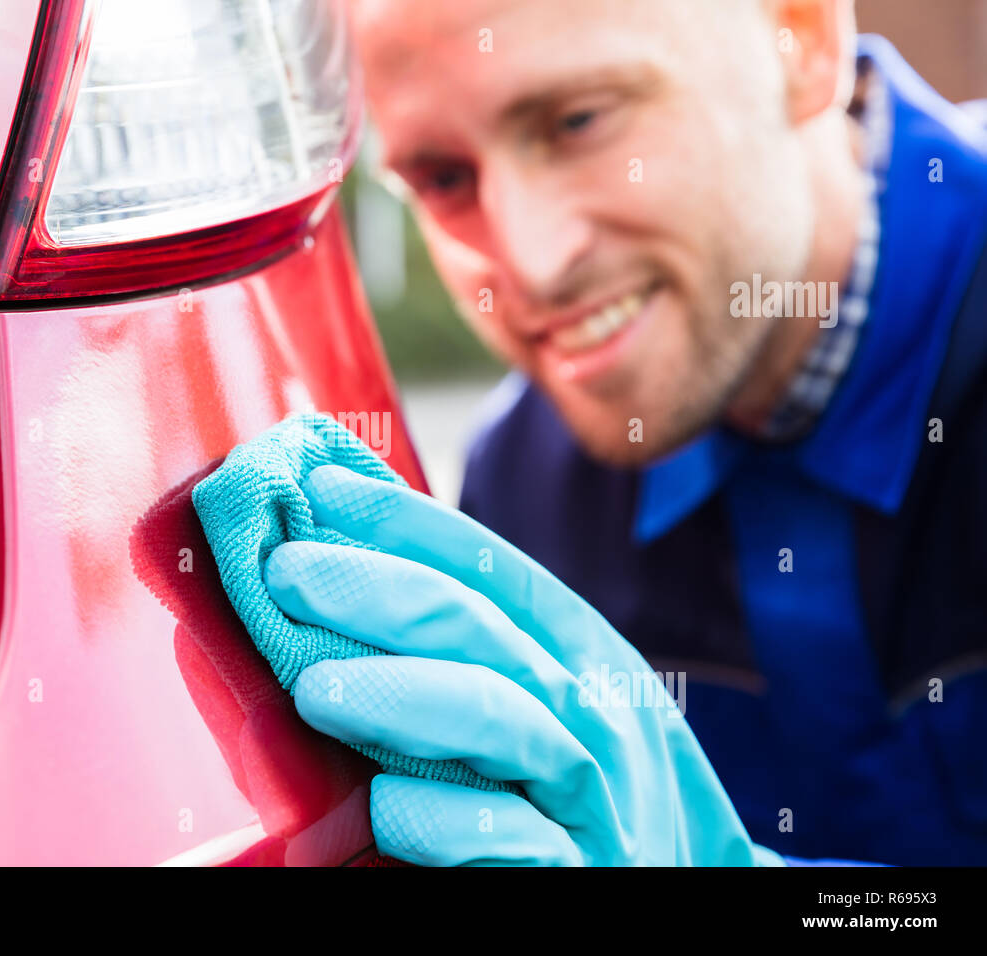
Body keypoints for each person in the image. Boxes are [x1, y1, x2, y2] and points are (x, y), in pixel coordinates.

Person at [261, 0, 987, 865]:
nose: (533, 261)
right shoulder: (521, 489)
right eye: (445, 180)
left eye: (578, 122)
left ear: (800, 41)